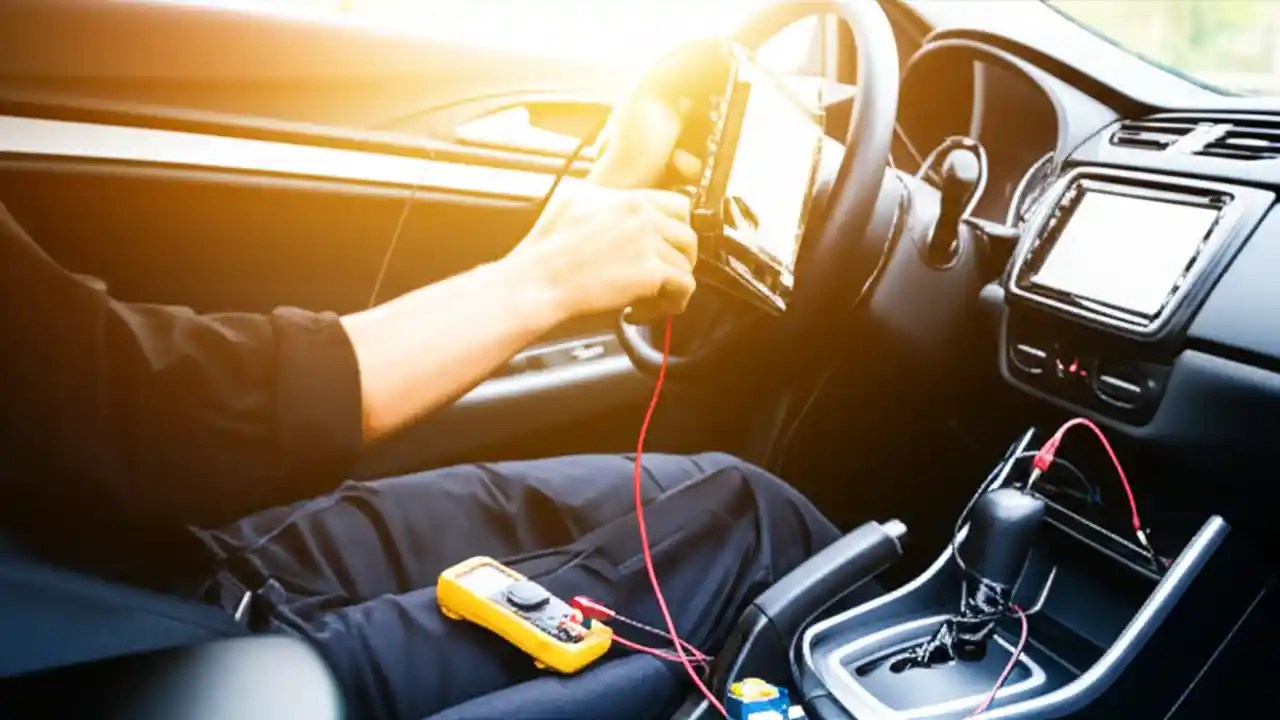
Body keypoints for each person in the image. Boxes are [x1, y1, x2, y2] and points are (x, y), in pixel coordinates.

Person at [0, 45, 840, 720]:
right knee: (755, 532)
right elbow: (151, 419)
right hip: (127, 644)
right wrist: (538, 283)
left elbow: (86, 388)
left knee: (731, 500)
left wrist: (550, 257)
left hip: (131, 542)